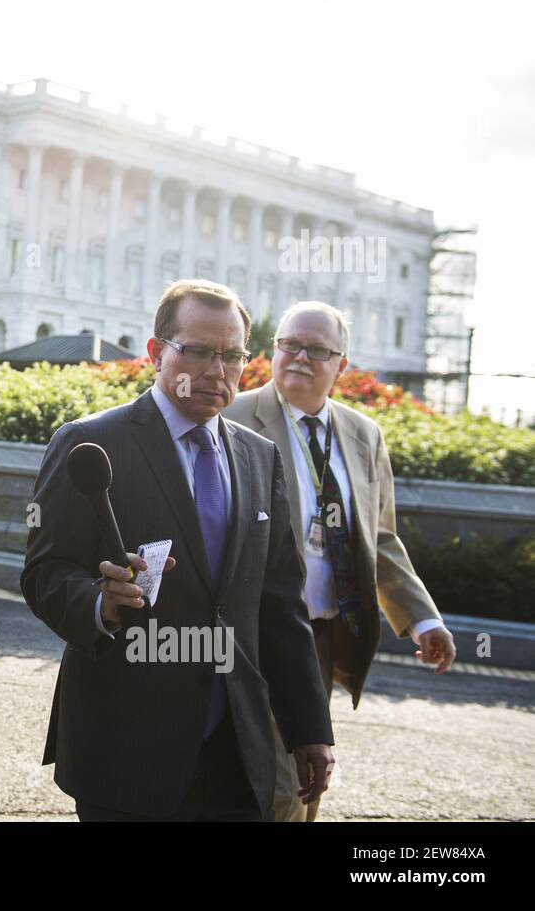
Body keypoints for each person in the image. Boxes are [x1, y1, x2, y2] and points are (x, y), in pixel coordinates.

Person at [22, 279, 334, 821]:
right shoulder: (90, 443)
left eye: (233, 355)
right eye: (198, 352)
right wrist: (99, 602)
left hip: (237, 747)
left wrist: (309, 727)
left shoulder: (261, 459)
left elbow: (279, 602)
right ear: (155, 353)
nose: (218, 371)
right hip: (125, 748)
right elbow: (45, 572)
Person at [223, 300, 456, 821]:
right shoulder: (232, 418)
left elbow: (380, 539)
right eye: (289, 345)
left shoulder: (363, 434)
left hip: (325, 638)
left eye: (317, 350)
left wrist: (422, 619)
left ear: (341, 366)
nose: (300, 358)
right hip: (258, 637)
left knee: (309, 780)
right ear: (273, 350)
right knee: (279, 789)